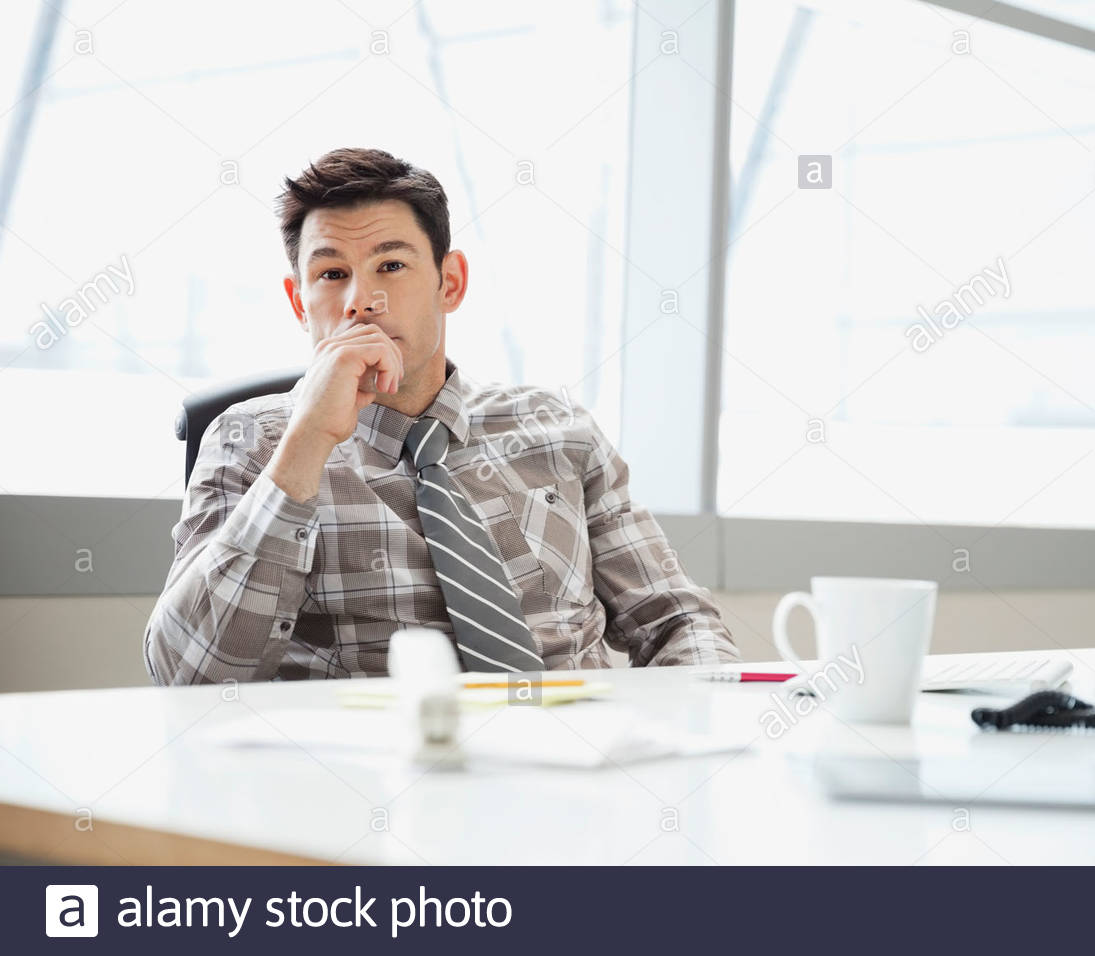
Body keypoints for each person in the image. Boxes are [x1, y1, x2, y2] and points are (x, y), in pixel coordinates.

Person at [144, 147, 740, 683]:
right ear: (300, 302)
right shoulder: (251, 439)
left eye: (391, 265)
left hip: (572, 767)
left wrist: (709, 732)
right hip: (361, 783)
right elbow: (188, 674)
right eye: (331, 274)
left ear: (449, 283)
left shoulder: (558, 427)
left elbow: (676, 621)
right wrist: (306, 443)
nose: (360, 300)